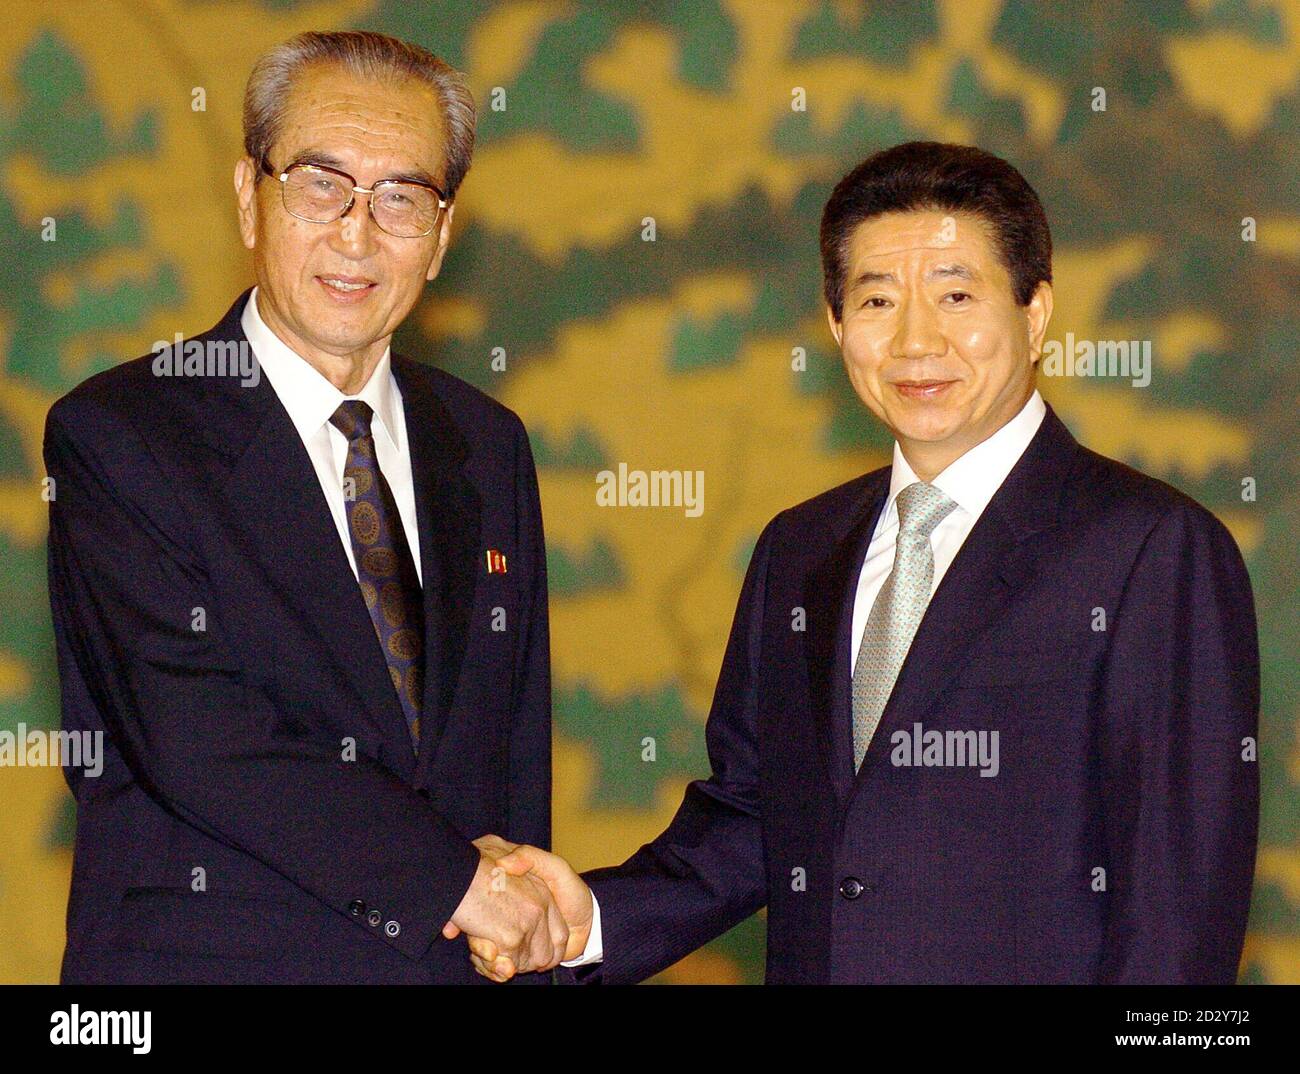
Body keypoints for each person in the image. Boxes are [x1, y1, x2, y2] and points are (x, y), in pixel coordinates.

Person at [466, 142, 1261, 985]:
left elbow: (1179, 914)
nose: (918, 340)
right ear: (838, 324)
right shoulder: (799, 551)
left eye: (957, 295)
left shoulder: (1152, 549)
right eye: (878, 299)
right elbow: (758, 816)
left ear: (1034, 314)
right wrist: (589, 920)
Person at [45, 30, 565, 984]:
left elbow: (512, 761)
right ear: (250, 197)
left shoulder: (488, 445)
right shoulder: (124, 434)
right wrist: (462, 887)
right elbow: (197, 736)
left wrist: (515, 929)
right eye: (320, 184)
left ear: (444, 237)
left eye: (402, 198)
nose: (356, 234)